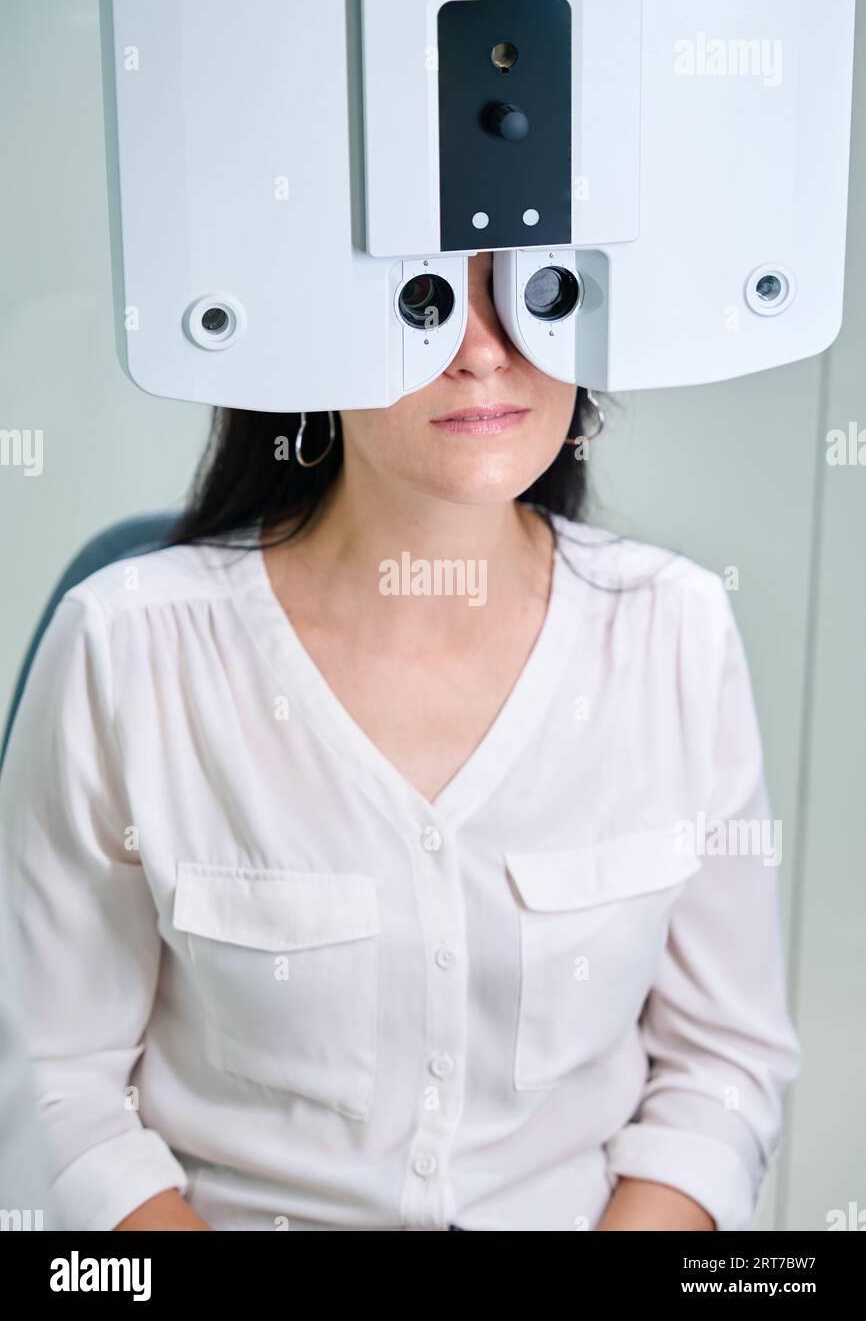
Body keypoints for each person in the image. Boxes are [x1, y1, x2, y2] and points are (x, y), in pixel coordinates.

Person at [0, 251, 801, 1231]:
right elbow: (49, 1085)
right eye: (418, 297)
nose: (478, 352)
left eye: (534, 295)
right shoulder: (126, 644)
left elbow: (721, 1062)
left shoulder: (676, 628)